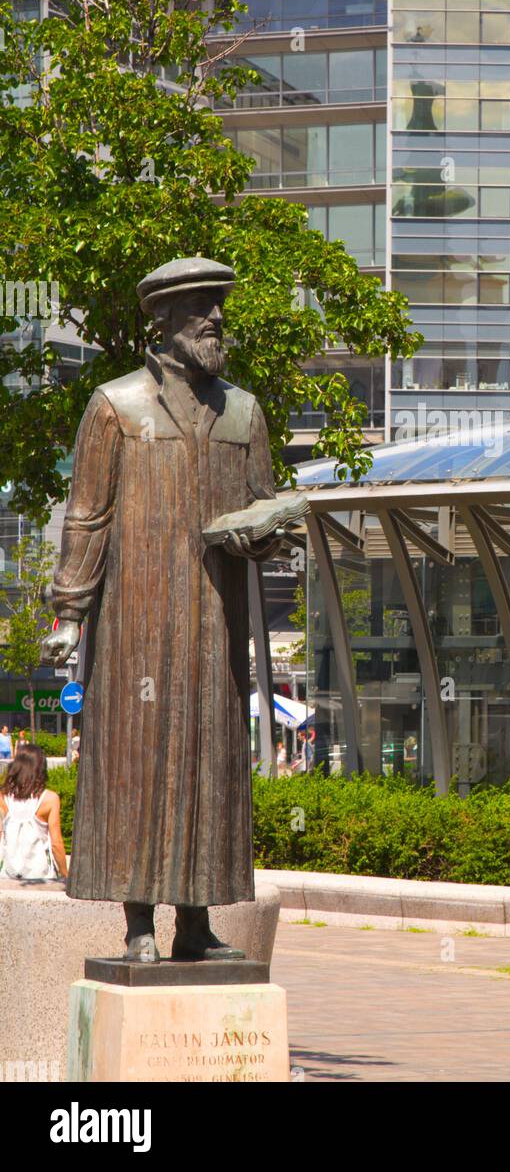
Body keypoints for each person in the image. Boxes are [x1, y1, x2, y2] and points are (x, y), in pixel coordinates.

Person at [41, 257, 285, 964]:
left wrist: (266, 533)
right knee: (137, 761)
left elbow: (264, 505)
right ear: (165, 321)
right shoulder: (116, 407)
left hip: (214, 621)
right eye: (202, 309)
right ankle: (138, 924)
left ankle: (197, 923)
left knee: (211, 763)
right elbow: (87, 516)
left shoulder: (243, 412)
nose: (217, 320)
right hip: (136, 624)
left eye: (219, 307)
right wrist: (70, 612)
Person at [0, 743, 68, 882]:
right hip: (40, 874)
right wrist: (65, 874)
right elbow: (56, 843)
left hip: (9, 873)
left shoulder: (2, 797)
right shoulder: (49, 799)